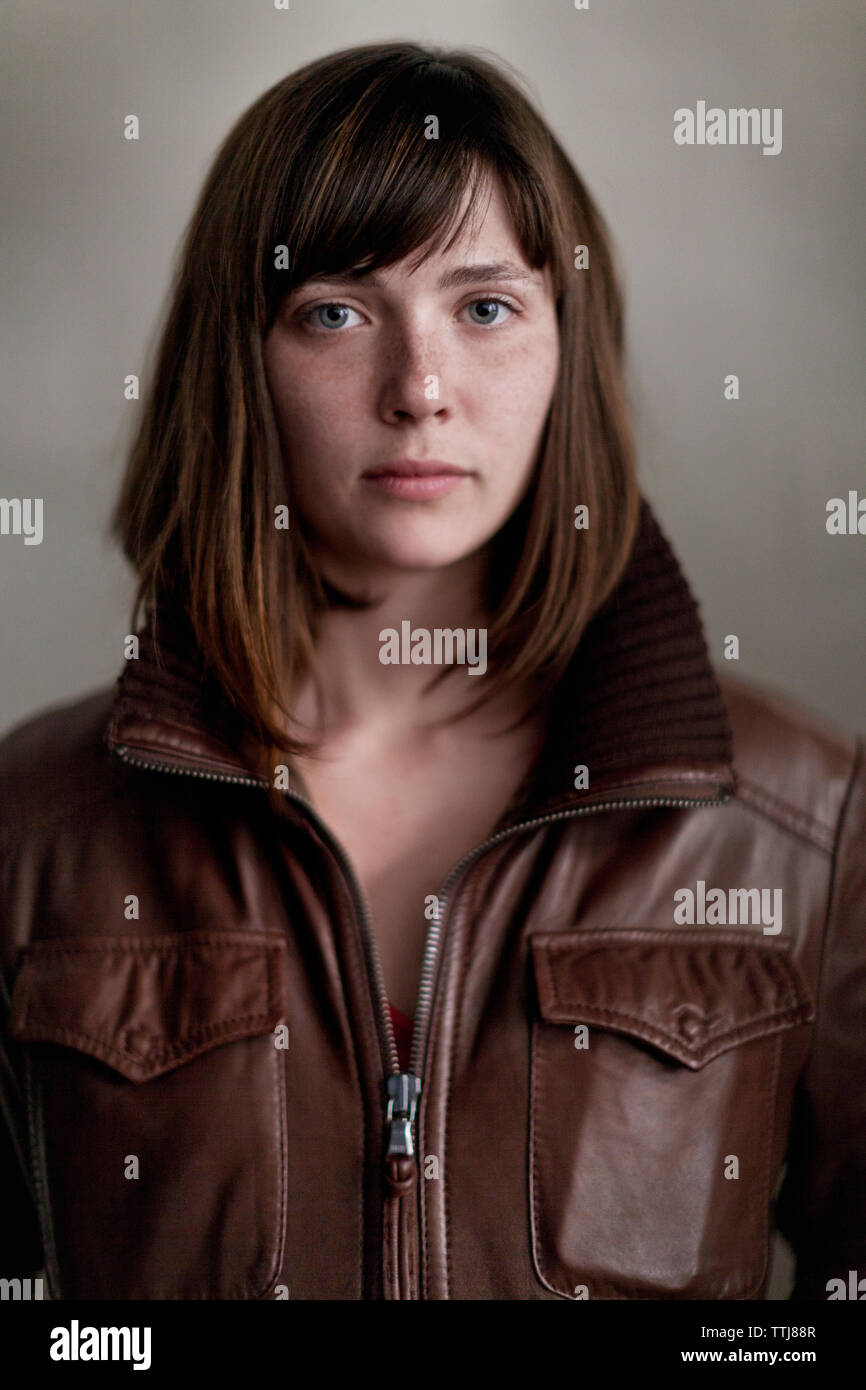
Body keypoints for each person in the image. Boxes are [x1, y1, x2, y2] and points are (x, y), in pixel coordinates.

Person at [0, 40, 863, 1303]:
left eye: (484, 307)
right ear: (237, 361)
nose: (419, 390)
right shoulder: (32, 827)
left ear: (567, 348)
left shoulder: (803, 819)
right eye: (335, 312)